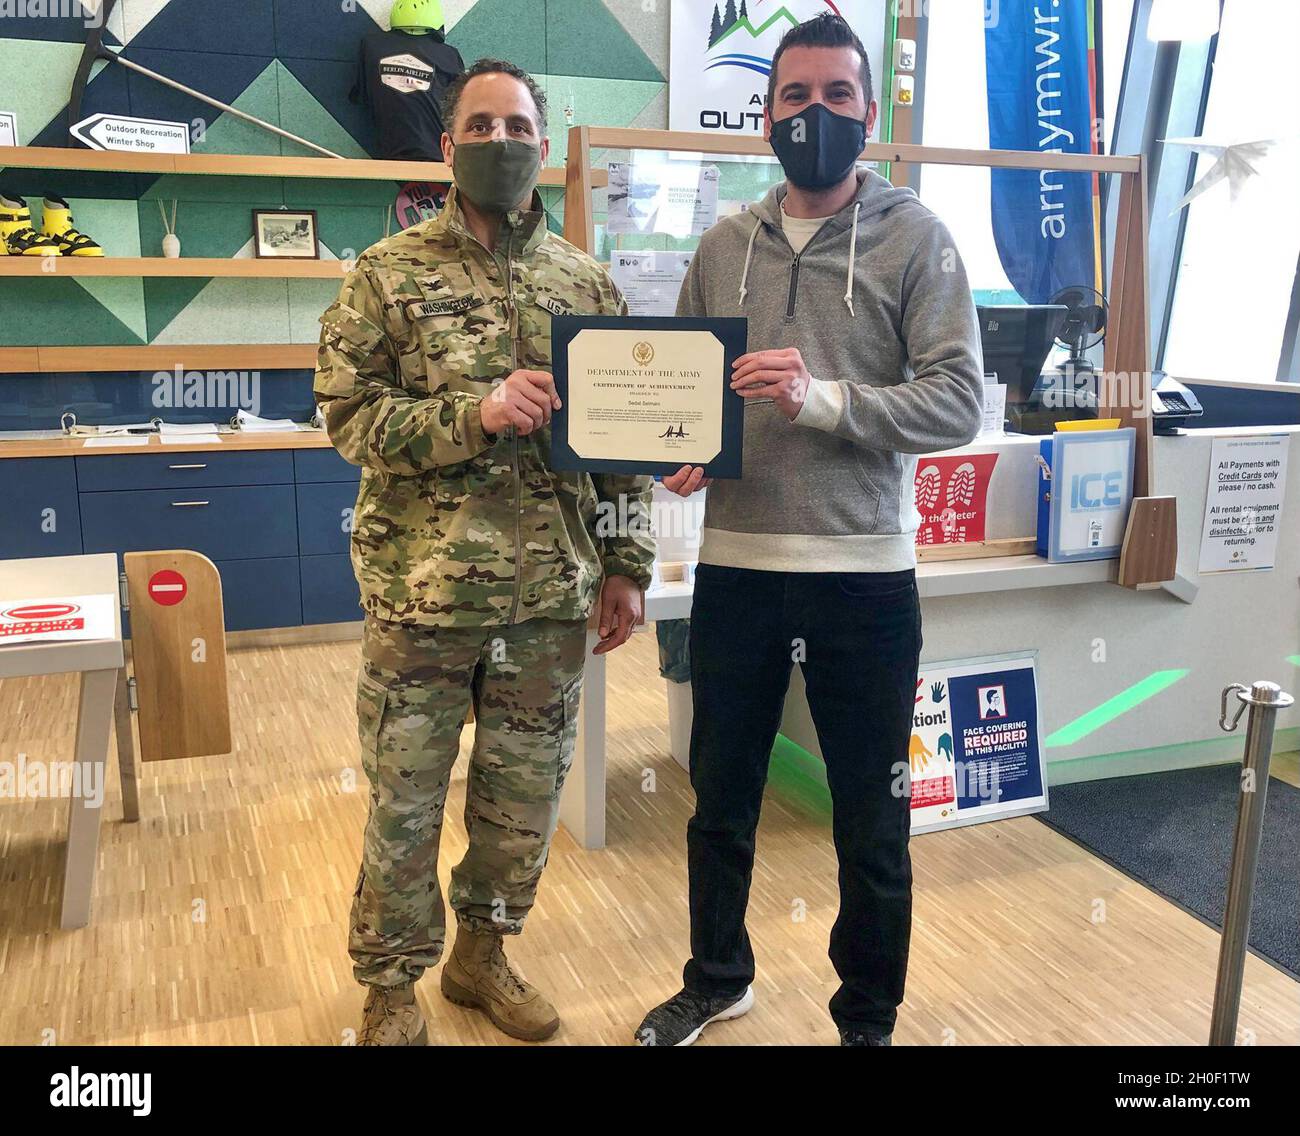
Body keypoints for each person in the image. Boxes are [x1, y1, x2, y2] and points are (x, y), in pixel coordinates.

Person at [636, 13, 984, 1047]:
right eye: (797, 97)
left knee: (871, 819)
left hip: (865, 579)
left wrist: (823, 400)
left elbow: (955, 401)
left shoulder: (916, 237)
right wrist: (682, 447)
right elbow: (695, 394)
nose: (815, 115)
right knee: (719, 800)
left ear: (867, 115)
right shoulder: (722, 246)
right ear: (766, 113)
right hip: (736, 567)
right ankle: (715, 976)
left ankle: (866, 1017)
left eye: (837, 96)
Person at [315, 58, 655, 1047]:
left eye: (518, 126)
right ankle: (388, 985)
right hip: (420, 598)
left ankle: (482, 955)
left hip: (548, 602)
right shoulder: (384, 275)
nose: (499, 141)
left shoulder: (586, 283)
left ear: (543, 146)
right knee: (404, 804)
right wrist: (476, 413)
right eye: (480, 124)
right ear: (445, 143)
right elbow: (348, 417)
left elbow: (626, 448)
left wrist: (627, 562)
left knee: (520, 809)